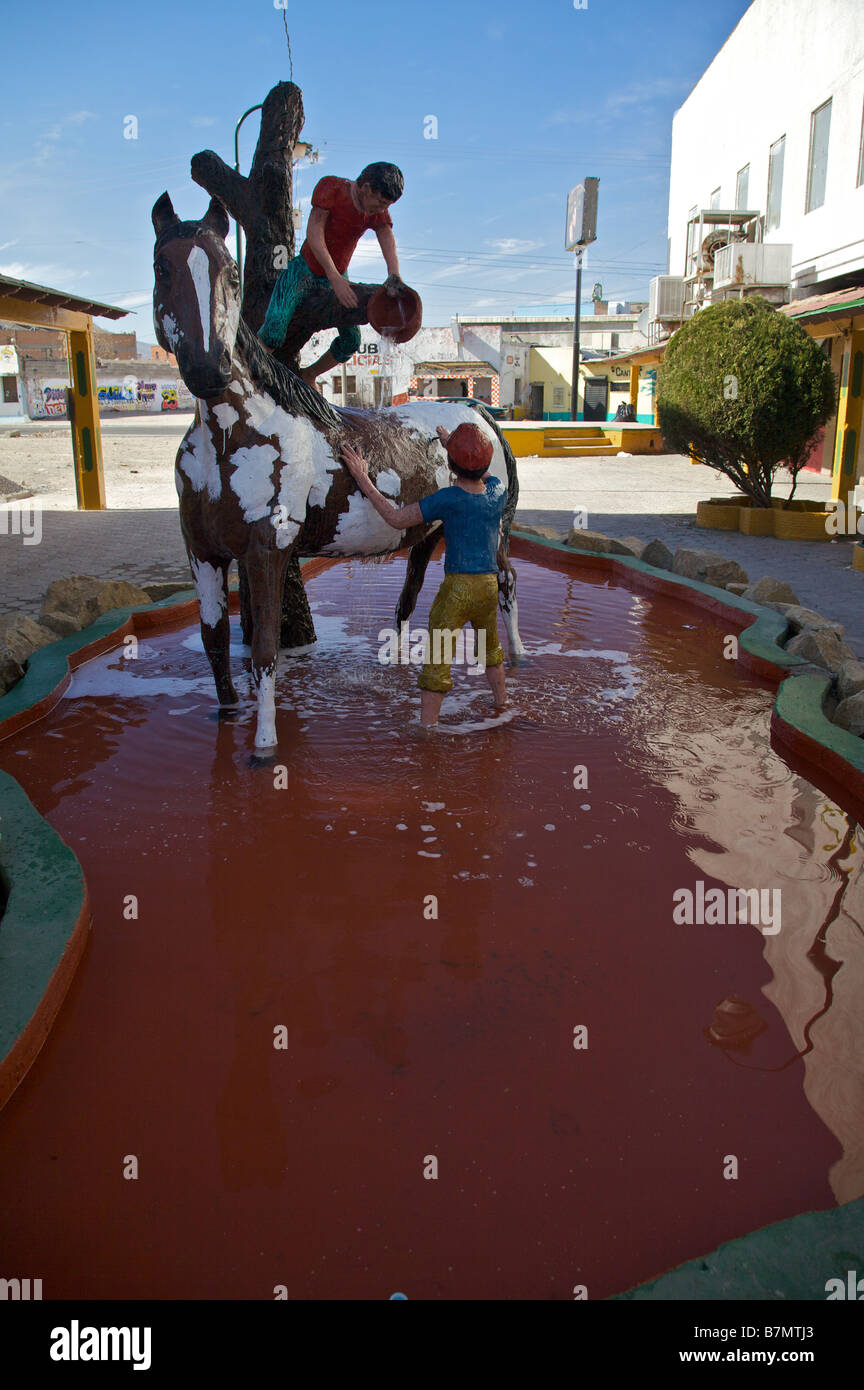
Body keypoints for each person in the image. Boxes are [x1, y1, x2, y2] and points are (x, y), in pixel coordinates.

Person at [341, 422, 509, 727]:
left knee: (437, 659)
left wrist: (363, 478)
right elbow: (483, 474)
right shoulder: (498, 491)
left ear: (451, 466)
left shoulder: (447, 499)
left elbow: (396, 518)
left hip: (457, 591)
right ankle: (503, 706)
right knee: (490, 649)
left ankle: (427, 729)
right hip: (488, 588)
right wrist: (453, 446)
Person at [259, 162, 404, 387]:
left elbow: (385, 234)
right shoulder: (332, 188)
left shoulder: (375, 211)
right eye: (381, 203)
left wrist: (394, 274)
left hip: (338, 274)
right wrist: (334, 277)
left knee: (351, 341)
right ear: (366, 188)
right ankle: (251, 375)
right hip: (304, 269)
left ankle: (309, 374)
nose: (381, 209)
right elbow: (314, 234)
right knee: (274, 329)